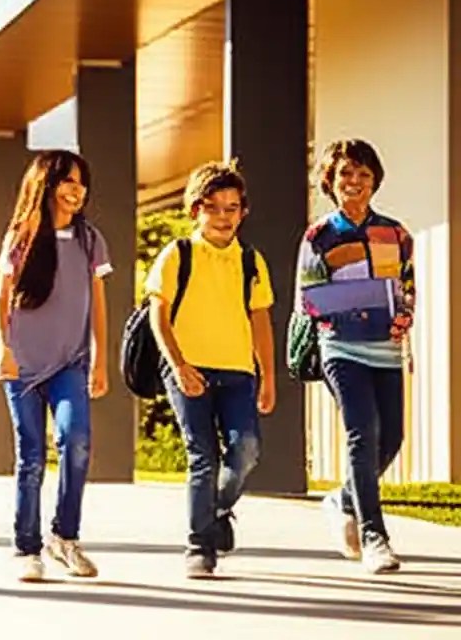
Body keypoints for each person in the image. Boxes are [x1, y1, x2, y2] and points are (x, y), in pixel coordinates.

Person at [145, 160, 276, 578]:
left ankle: (216, 508)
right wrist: (178, 365)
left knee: (247, 449)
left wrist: (268, 375)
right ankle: (199, 546)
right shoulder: (177, 254)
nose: (223, 217)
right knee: (202, 457)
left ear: (244, 211)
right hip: (189, 370)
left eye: (232, 208)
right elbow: (158, 315)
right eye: (214, 207)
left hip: (239, 371)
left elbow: (260, 319)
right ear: (195, 209)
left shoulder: (251, 260)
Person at [0, 150, 110, 582]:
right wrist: (2, 347)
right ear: (46, 183)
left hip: (69, 364)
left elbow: (98, 303)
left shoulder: (90, 240)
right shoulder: (20, 237)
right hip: (21, 365)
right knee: (32, 456)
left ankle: (65, 536)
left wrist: (100, 359)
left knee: (76, 441)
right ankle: (27, 548)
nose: (77, 189)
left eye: (82, 182)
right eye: (68, 181)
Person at [296, 139, 413, 574]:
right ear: (331, 180)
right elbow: (310, 299)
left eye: (364, 175)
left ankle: (344, 498)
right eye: (346, 173)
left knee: (392, 438)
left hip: (386, 348)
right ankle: (374, 537)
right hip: (340, 348)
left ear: (374, 181)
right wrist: (357, 302)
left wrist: (402, 316)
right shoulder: (319, 236)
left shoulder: (396, 234)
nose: (355, 182)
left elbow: (407, 288)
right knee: (362, 433)